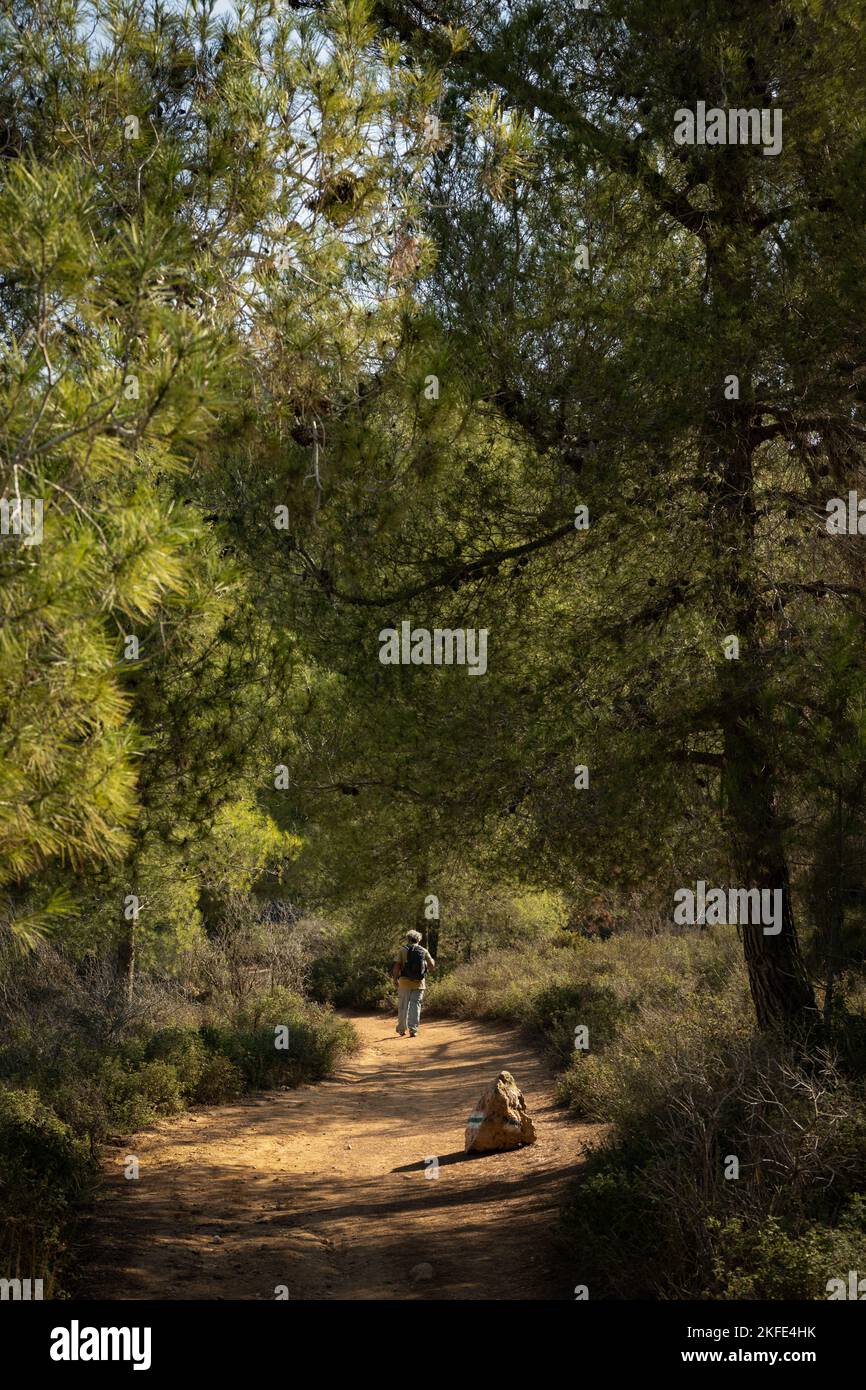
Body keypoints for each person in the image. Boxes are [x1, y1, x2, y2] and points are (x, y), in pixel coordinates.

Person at [393, 929, 435, 1037]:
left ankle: (401, 1029)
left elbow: (397, 966)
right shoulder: (423, 950)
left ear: (408, 938)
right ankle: (413, 1030)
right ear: (419, 939)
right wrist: (426, 966)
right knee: (415, 1006)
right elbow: (432, 965)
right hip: (419, 983)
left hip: (404, 982)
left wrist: (395, 979)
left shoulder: (402, 950)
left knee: (403, 1006)